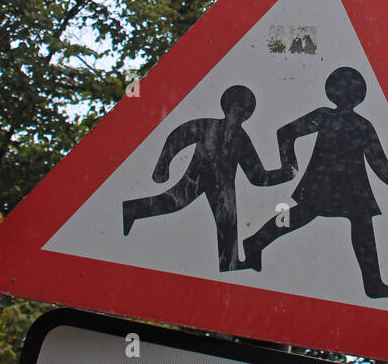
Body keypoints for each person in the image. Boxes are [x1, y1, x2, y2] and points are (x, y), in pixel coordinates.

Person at [236, 66, 388, 298]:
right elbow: (286, 132)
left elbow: (380, 164)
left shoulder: (359, 125)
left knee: (347, 220)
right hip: (324, 182)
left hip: (350, 187)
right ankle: (255, 242)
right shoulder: (328, 117)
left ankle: (255, 242)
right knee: (308, 216)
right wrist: (290, 164)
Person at [122, 85, 293, 272]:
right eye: (236, 109)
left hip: (224, 188)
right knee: (172, 202)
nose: (239, 115)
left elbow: (256, 176)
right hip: (197, 178)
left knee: (228, 223)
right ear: (226, 107)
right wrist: (162, 165)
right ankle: (132, 209)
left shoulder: (242, 138)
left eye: (244, 112)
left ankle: (230, 264)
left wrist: (284, 174)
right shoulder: (207, 125)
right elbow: (178, 136)